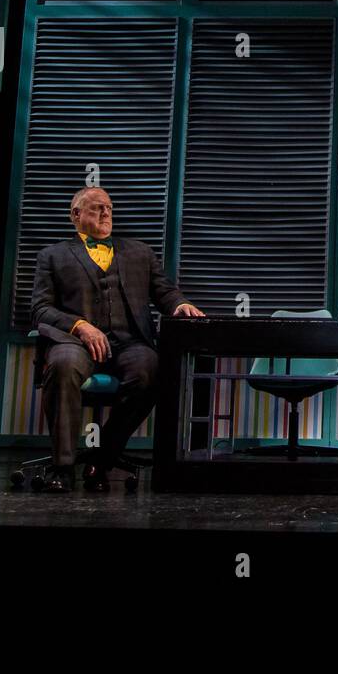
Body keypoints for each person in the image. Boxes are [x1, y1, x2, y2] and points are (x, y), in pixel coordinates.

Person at [30, 187, 204, 492]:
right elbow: (41, 309)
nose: (105, 213)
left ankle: (104, 456)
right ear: (76, 215)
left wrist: (179, 304)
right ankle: (63, 467)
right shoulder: (52, 255)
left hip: (128, 342)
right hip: (75, 343)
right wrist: (80, 326)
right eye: (96, 207)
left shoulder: (139, 252)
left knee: (151, 370)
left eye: (109, 207)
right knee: (63, 365)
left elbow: (164, 291)